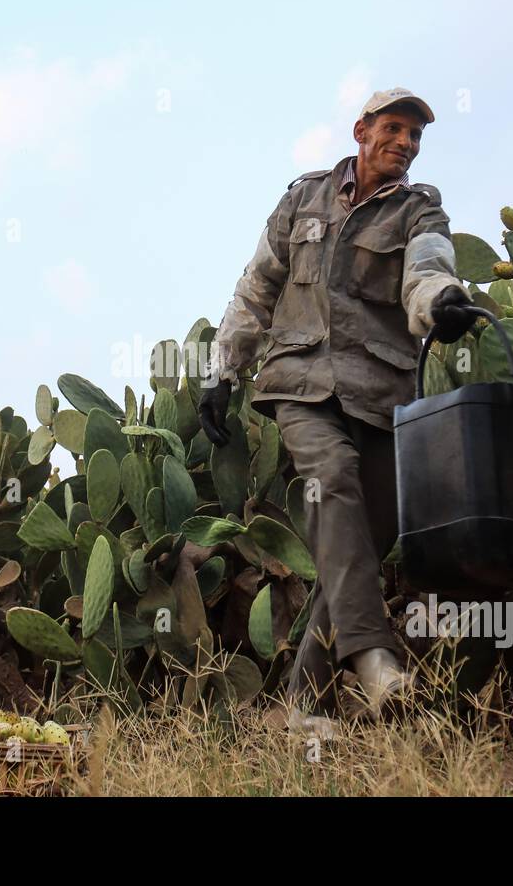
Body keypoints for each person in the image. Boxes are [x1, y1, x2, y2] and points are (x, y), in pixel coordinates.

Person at [198, 88, 476, 730]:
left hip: (382, 394)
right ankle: (374, 656)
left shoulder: (418, 207)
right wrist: (220, 373)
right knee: (330, 479)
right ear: (361, 130)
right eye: (394, 128)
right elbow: (258, 285)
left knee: (357, 545)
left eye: (414, 136)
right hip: (301, 383)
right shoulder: (303, 198)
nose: (404, 143)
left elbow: (428, 267)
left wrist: (440, 301)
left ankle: (303, 712)